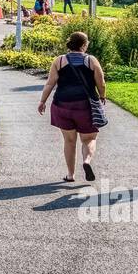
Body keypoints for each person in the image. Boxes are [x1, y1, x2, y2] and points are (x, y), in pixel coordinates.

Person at [37, 30, 106, 182]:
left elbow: (50, 83)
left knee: (69, 141)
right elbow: (100, 82)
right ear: (84, 45)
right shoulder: (91, 60)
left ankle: (70, 175)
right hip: (85, 106)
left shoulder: (59, 60)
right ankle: (87, 161)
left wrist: (42, 101)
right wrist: (102, 95)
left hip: (62, 105)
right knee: (88, 139)